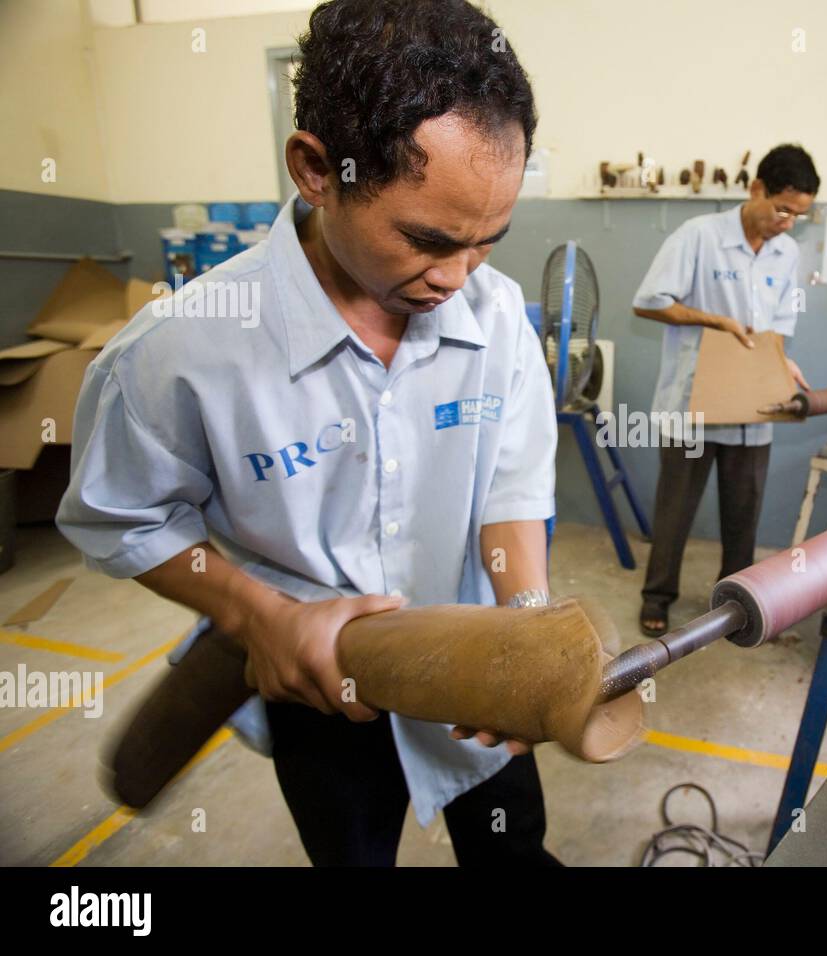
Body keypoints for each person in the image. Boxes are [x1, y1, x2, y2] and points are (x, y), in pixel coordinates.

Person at [57, 0, 560, 867]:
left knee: (512, 849)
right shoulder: (183, 349)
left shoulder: (500, 316)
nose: (458, 276)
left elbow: (510, 491)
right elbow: (125, 517)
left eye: (487, 242)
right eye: (428, 240)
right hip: (322, 691)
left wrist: (527, 629)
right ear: (318, 169)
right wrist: (259, 615)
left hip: (474, 658)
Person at [633, 145, 819, 636]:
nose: (788, 223)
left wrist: (782, 364)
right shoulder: (700, 236)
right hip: (690, 402)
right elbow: (648, 302)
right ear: (756, 188)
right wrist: (714, 321)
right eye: (783, 209)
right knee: (675, 509)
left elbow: (780, 327)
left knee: (744, 512)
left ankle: (737, 602)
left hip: (751, 406)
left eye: (799, 215)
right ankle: (658, 596)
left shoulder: (787, 251)